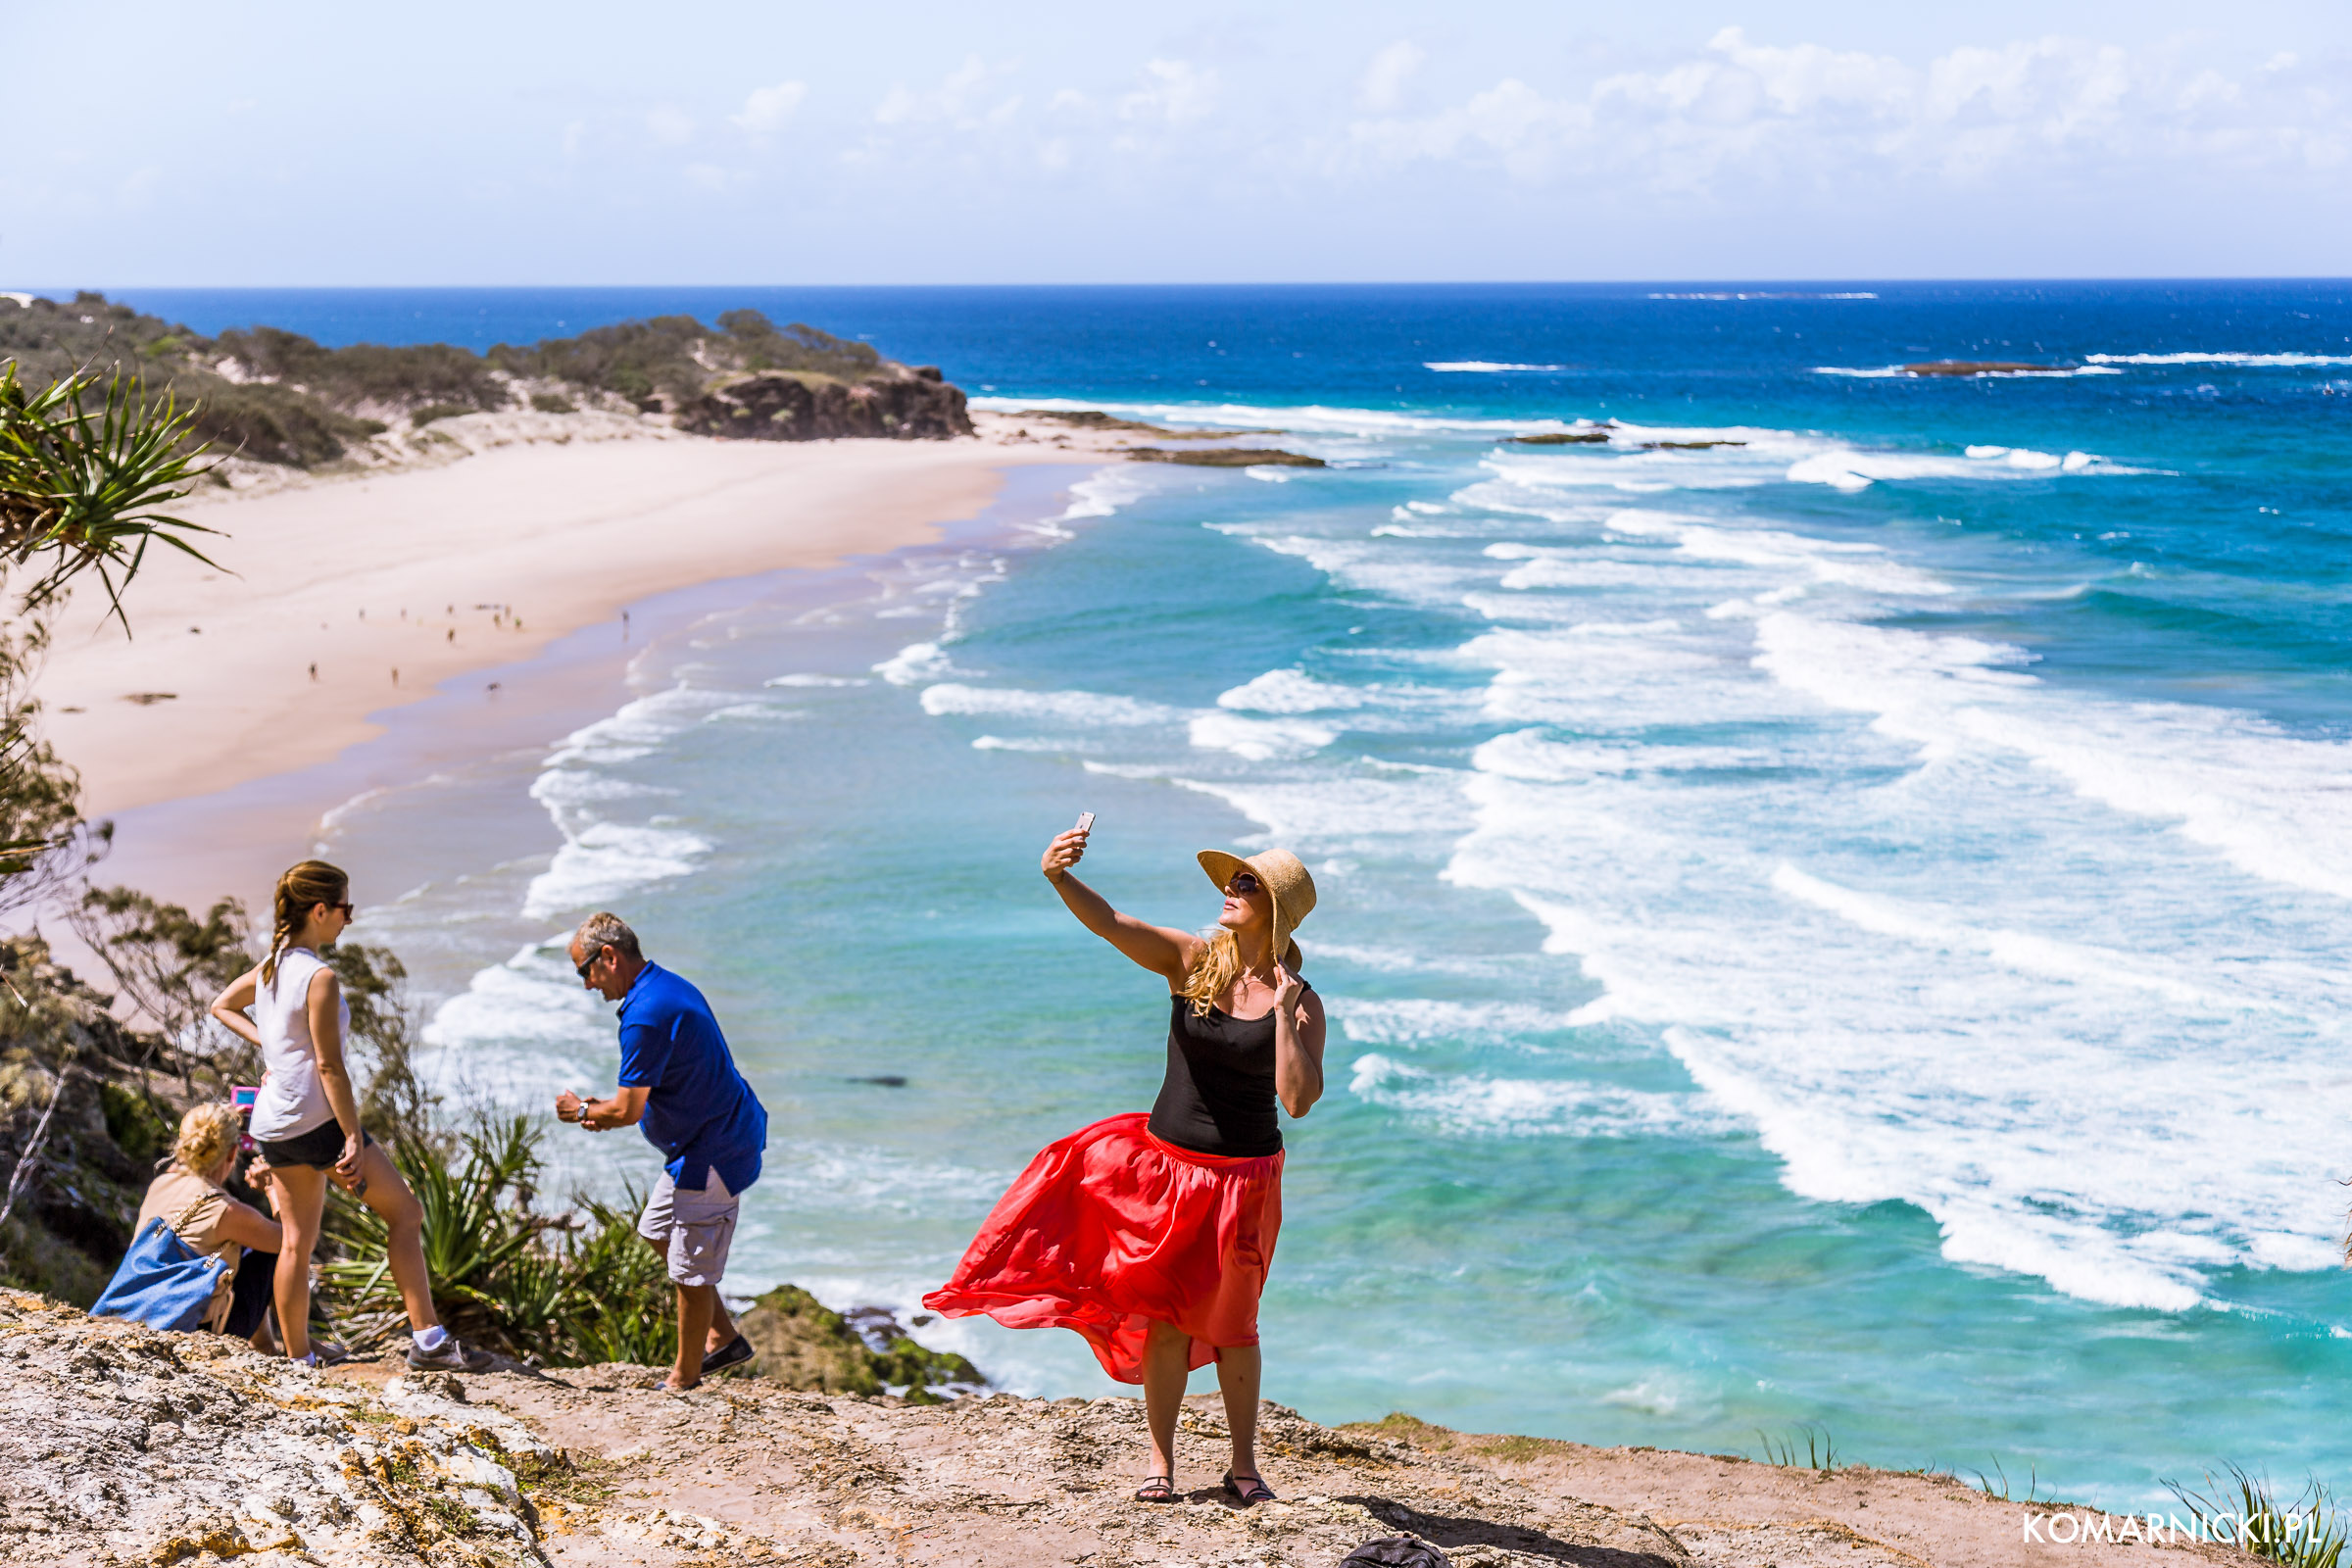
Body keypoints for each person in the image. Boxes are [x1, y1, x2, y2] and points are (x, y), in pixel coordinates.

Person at [924, 827, 1328, 1509]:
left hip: (1244, 1182)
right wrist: (1059, 876)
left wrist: (1286, 1016)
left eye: (1246, 884)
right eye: (1232, 880)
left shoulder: (1303, 1000)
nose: (1230, 890)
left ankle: (1243, 1469)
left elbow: (1298, 1099)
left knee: (1235, 1326)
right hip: (1169, 1172)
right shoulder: (1193, 960)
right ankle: (1161, 1465)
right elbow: (1113, 925)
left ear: (1277, 909)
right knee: (1164, 1319)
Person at [209, 859, 492, 1371]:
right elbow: (329, 1067)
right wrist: (351, 1140)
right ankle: (428, 1341)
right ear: (320, 910)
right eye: (345, 908)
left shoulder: (270, 967)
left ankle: (298, 1361)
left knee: (295, 1241)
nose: (349, 919)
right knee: (406, 1214)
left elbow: (221, 1005)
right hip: (317, 1123)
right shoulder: (319, 977)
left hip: (273, 1126)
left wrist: (271, 1050)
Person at [556, 912, 769, 1392]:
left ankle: (683, 1380)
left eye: (584, 971)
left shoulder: (645, 1015)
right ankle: (724, 1336)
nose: (587, 985)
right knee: (656, 1231)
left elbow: (629, 1109)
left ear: (608, 957)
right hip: (704, 1140)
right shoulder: (662, 986)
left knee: (690, 1271)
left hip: (710, 1151)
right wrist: (597, 1110)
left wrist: (582, 1110)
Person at [127, 1102, 285, 1346]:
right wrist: (272, 1189)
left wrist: (219, 1117)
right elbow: (288, 1241)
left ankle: (268, 1346)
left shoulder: (162, 1181)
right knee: (268, 1254)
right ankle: (292, 1347)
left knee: (244, 1248)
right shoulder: (224, 1210)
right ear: (233, 1153)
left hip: (144, 1307)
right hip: (198, 1327)